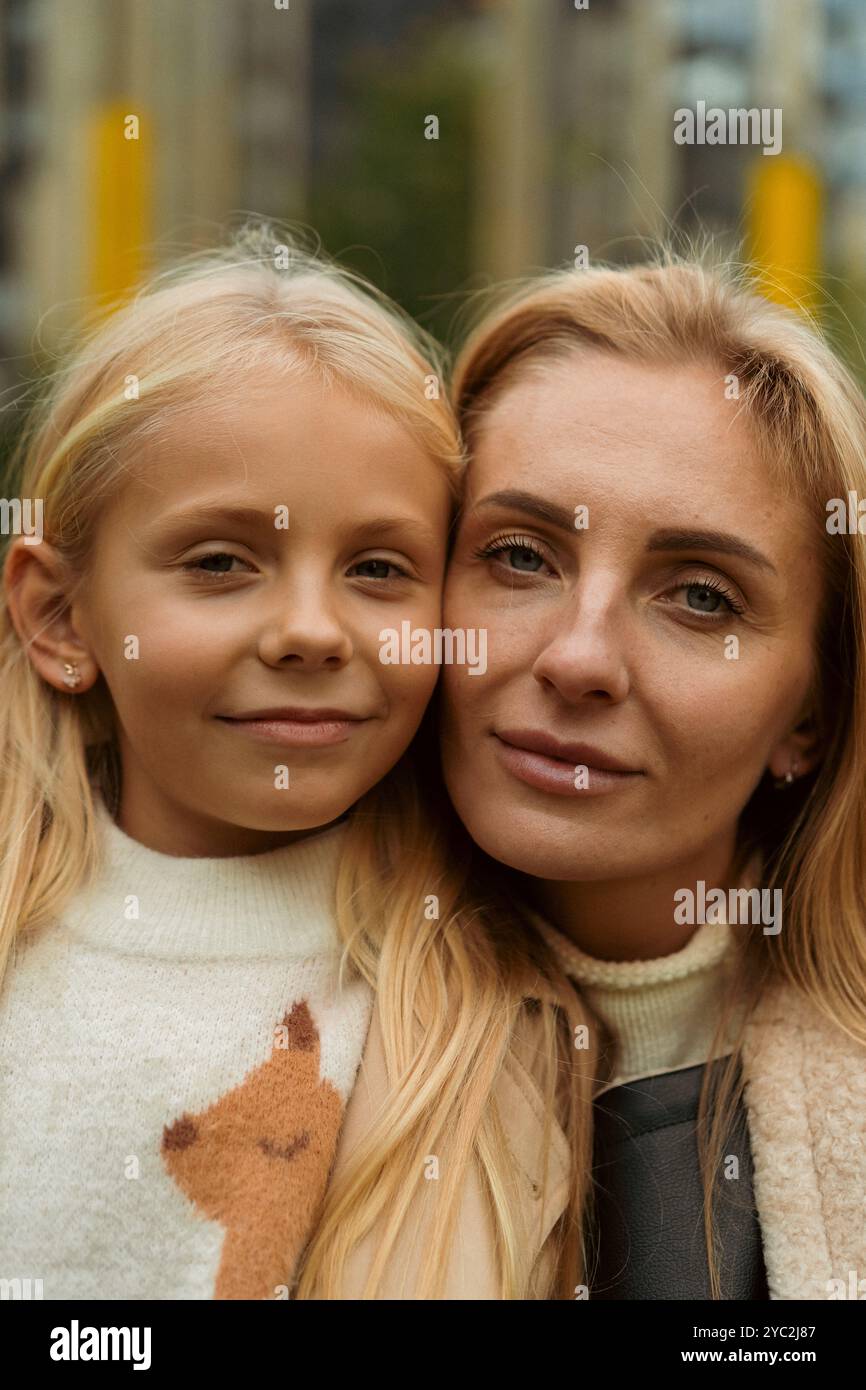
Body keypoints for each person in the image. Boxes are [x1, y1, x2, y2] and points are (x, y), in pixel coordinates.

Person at [0, 219, 579, 1301]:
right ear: (60, 616)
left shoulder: (475, 1009)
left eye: (376, 566)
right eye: (220, 562)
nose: (310, 631)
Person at [439, 247, 866, 1299]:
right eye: (519, 556)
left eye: (700, 598)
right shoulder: (236, 1017)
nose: (577, 658)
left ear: (807, 716)